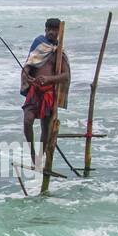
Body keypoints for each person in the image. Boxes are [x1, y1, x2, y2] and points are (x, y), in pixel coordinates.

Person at [22, 18, 71, 165]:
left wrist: (48, 80)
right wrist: (27, 77)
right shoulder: (39, 44)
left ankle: (40, 156)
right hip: (34, 91)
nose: (51, 32)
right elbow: (28, 65)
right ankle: (32, 152)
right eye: (49, 29)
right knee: (27, 120)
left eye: (55, 30)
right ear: (45, 30)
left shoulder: (59, 51)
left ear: (59, 32)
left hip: (49, 93)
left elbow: (65, 75)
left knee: (46, 126)